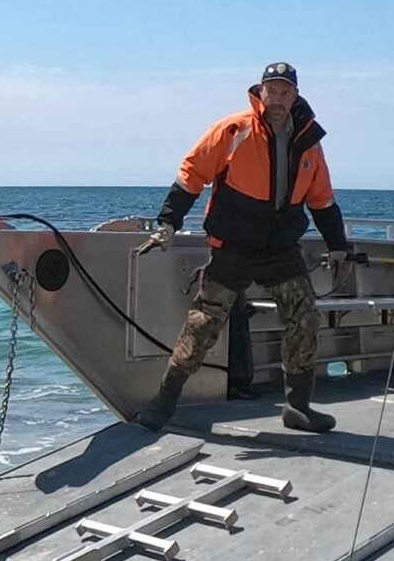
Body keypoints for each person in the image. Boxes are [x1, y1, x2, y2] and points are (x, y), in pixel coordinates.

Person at [135, 61, 363, 433]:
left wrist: (337, 245)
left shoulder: (309, 141)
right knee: (203, 324)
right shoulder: (233, 129)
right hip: (234, 247)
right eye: (270, 90)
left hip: (280, 250)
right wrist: (168, 222)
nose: (277, 98)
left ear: (295, 96)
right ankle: (164, 401)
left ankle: (298, 406)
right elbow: (192, 173)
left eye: (284, 92)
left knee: (304, 318)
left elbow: (321, 199)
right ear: (260, 92)